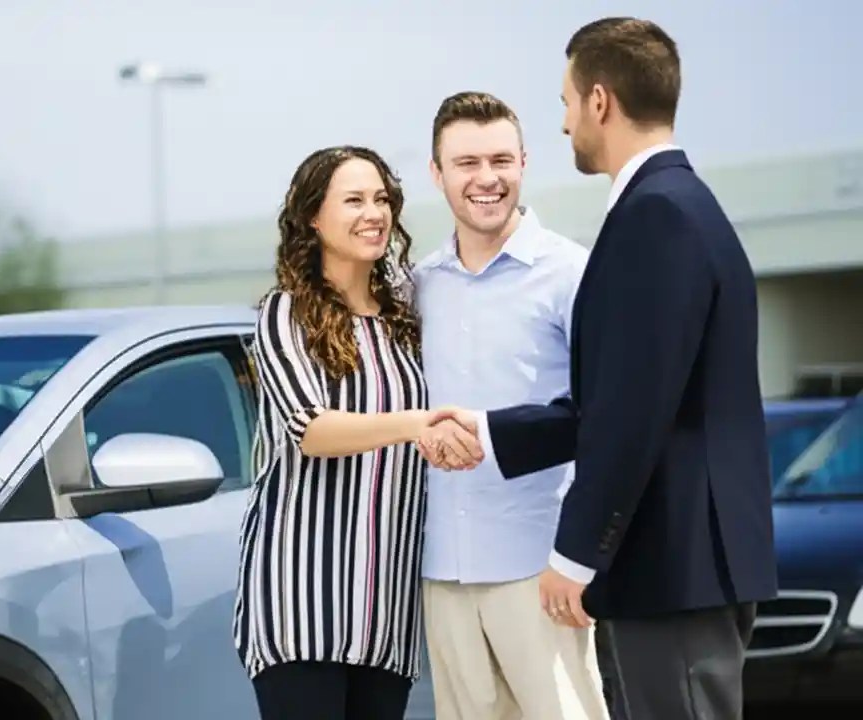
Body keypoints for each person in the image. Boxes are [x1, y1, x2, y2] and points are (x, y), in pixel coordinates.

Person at [429, 17, 779, 720]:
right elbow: (623, 399)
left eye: (564, 103)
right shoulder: (680, 205)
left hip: (677, 562)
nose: (564, 125)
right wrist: (493, 431)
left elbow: (630, 412)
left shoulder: (656, 216)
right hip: (689, 563)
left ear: (598, 101)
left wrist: (575, 554)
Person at [232, 145, 462, 720]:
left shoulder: (405, 316)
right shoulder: (287, 314)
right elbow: (310, 428)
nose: (374, 213)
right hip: (302, 603)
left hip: (386, 608)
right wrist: (413, 424)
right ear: (313, 217)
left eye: (381, 198)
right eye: (354, 200)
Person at [412, 91, 607, 720]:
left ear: (524, 161)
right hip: (442, 571)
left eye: (501, 158)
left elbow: (606, 414)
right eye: (466, 163)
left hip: (540, 571)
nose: (486, 178)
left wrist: (581, 560)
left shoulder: (573, 272)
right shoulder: (419, 285)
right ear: (437, 173)